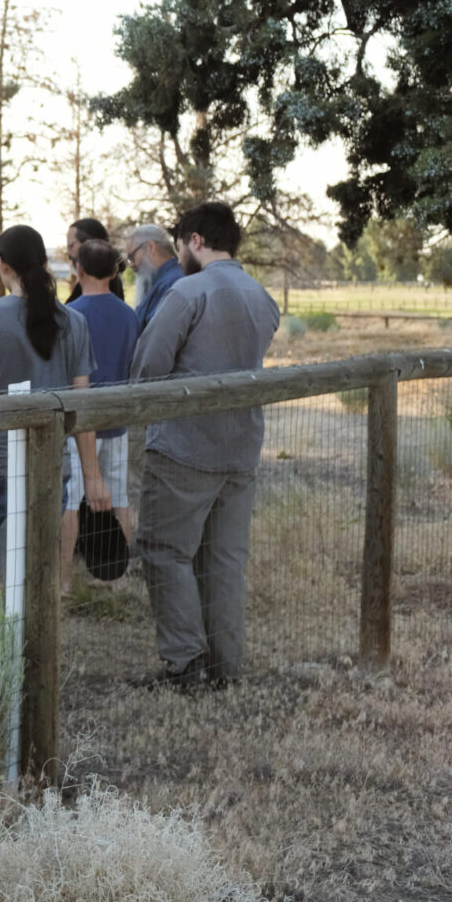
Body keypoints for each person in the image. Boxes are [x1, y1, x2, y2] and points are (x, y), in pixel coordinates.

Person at [128, 201, 281, 692]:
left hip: (184, 447)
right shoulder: (261, 296)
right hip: (241, 446)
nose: (178, 254)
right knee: (225, 559)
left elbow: (148, 367)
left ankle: (184, 662)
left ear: (195, 240)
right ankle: (225, 665)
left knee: (164, 549)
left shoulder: (186, 291)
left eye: (179, 245)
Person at [0, 225, 111, 576]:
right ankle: (30, 632)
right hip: (50, 465)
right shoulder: (74, 322)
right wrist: (92, 477)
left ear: (3, 265)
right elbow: (82, 409)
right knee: (39, 566)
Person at [60, 239, 141, 592]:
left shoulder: (71, 315)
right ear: (114, 272)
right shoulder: (128, 315)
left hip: (81, 424)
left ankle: (63, 580)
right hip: (117, 420)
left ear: (79, 270)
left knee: (74, 500)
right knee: (119, 497)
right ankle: (115, 579)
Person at [126, 223, 183, 329]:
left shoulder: (170, 282)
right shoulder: (162, 280)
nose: (131, 265)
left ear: (151, 246)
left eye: (131, 256)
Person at [65, 217, 125, 302]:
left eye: (71, 246)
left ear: (91, 245)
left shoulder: (99, 288)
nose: (69, 253)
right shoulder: (107, 283)